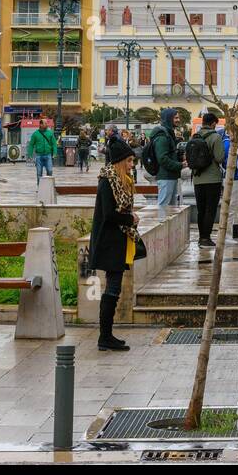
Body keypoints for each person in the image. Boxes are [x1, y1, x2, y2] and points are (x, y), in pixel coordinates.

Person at [87, 136, 141, 352]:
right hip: (108, 241)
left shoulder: (120, 180)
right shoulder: (108, 181)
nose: (132, 165)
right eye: (129, 161)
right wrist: (130, 219)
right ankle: (105, 336)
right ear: (119, 162)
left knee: (114, 287)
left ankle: (106, 336)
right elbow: (109, 214)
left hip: (116, 240)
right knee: (113, 288)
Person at [189, 112, 225, 247]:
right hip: (213, 179)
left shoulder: (195, 136)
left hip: (197, 178)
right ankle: (206, 238)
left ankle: (201, 237)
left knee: (201, 209)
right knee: (210, 209)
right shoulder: (216, 137)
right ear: (214, 123)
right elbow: (220, 158)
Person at [152, 108, 186, 214]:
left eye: (178, 117)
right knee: (163, 207)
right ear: (168, 118)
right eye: (175, 118)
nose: (178, 120)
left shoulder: (169, 134)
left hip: (171, 176)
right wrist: (180, 165)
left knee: (171, 209)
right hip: (166, 177)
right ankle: (161, 223)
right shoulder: (162, 136)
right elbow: (162, 158)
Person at [27, 119, 58, 183]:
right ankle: (39, 187)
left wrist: (54, 153)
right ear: (41, 124)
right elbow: (31, 145)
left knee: (50, 171)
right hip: (39, 156)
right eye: (45, 123)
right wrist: (30, 154)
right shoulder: (35, 134)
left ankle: (48, 185)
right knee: (39, 173)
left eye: (47, 123)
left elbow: (54, 144)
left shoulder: (50, 133)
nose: (47, 125)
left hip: (48, 155)